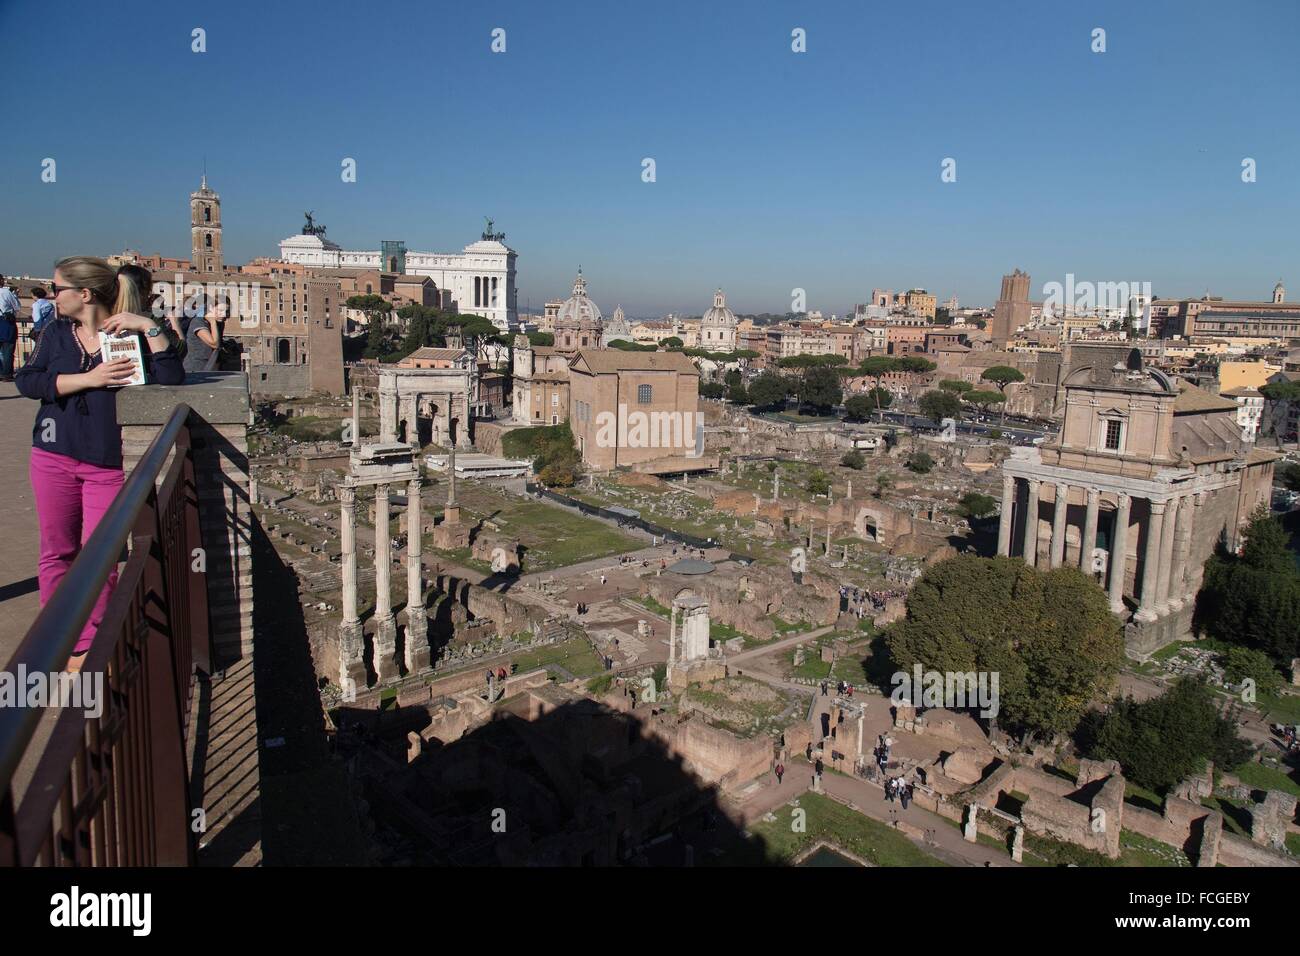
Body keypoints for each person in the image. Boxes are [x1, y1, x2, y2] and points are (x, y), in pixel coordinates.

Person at [16, 257, 183, 672]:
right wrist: (88, 379)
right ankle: (61, 640)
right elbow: (27, 380)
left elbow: (172, 379)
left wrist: (149, 326)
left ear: (84, 294)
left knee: (102, 555)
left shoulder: (130, 335)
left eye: (57, 289)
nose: (51, 295)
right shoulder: (55, 334)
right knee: (56, 552)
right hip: (52, 455)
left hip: (106, 463)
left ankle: (96, 643)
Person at [183, 294, 224, 372]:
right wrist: (212, 322)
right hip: (194, 369)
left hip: (209, 367)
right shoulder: (198, 322)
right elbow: (214, 343)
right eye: (220, 310)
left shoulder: (218, 323)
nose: (224, 314)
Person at [0, 276, 19, 381]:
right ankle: (6, 374)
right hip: (5, 322)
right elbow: (17, 307)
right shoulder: (6, 292)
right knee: (7, 349)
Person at [29, 286, 54, 351]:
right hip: (49, 328)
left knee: (39, 349)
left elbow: (37, 318)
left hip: (41, 329)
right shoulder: (50, 304)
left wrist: (37, 330)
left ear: (35, 295)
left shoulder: (36, 304)